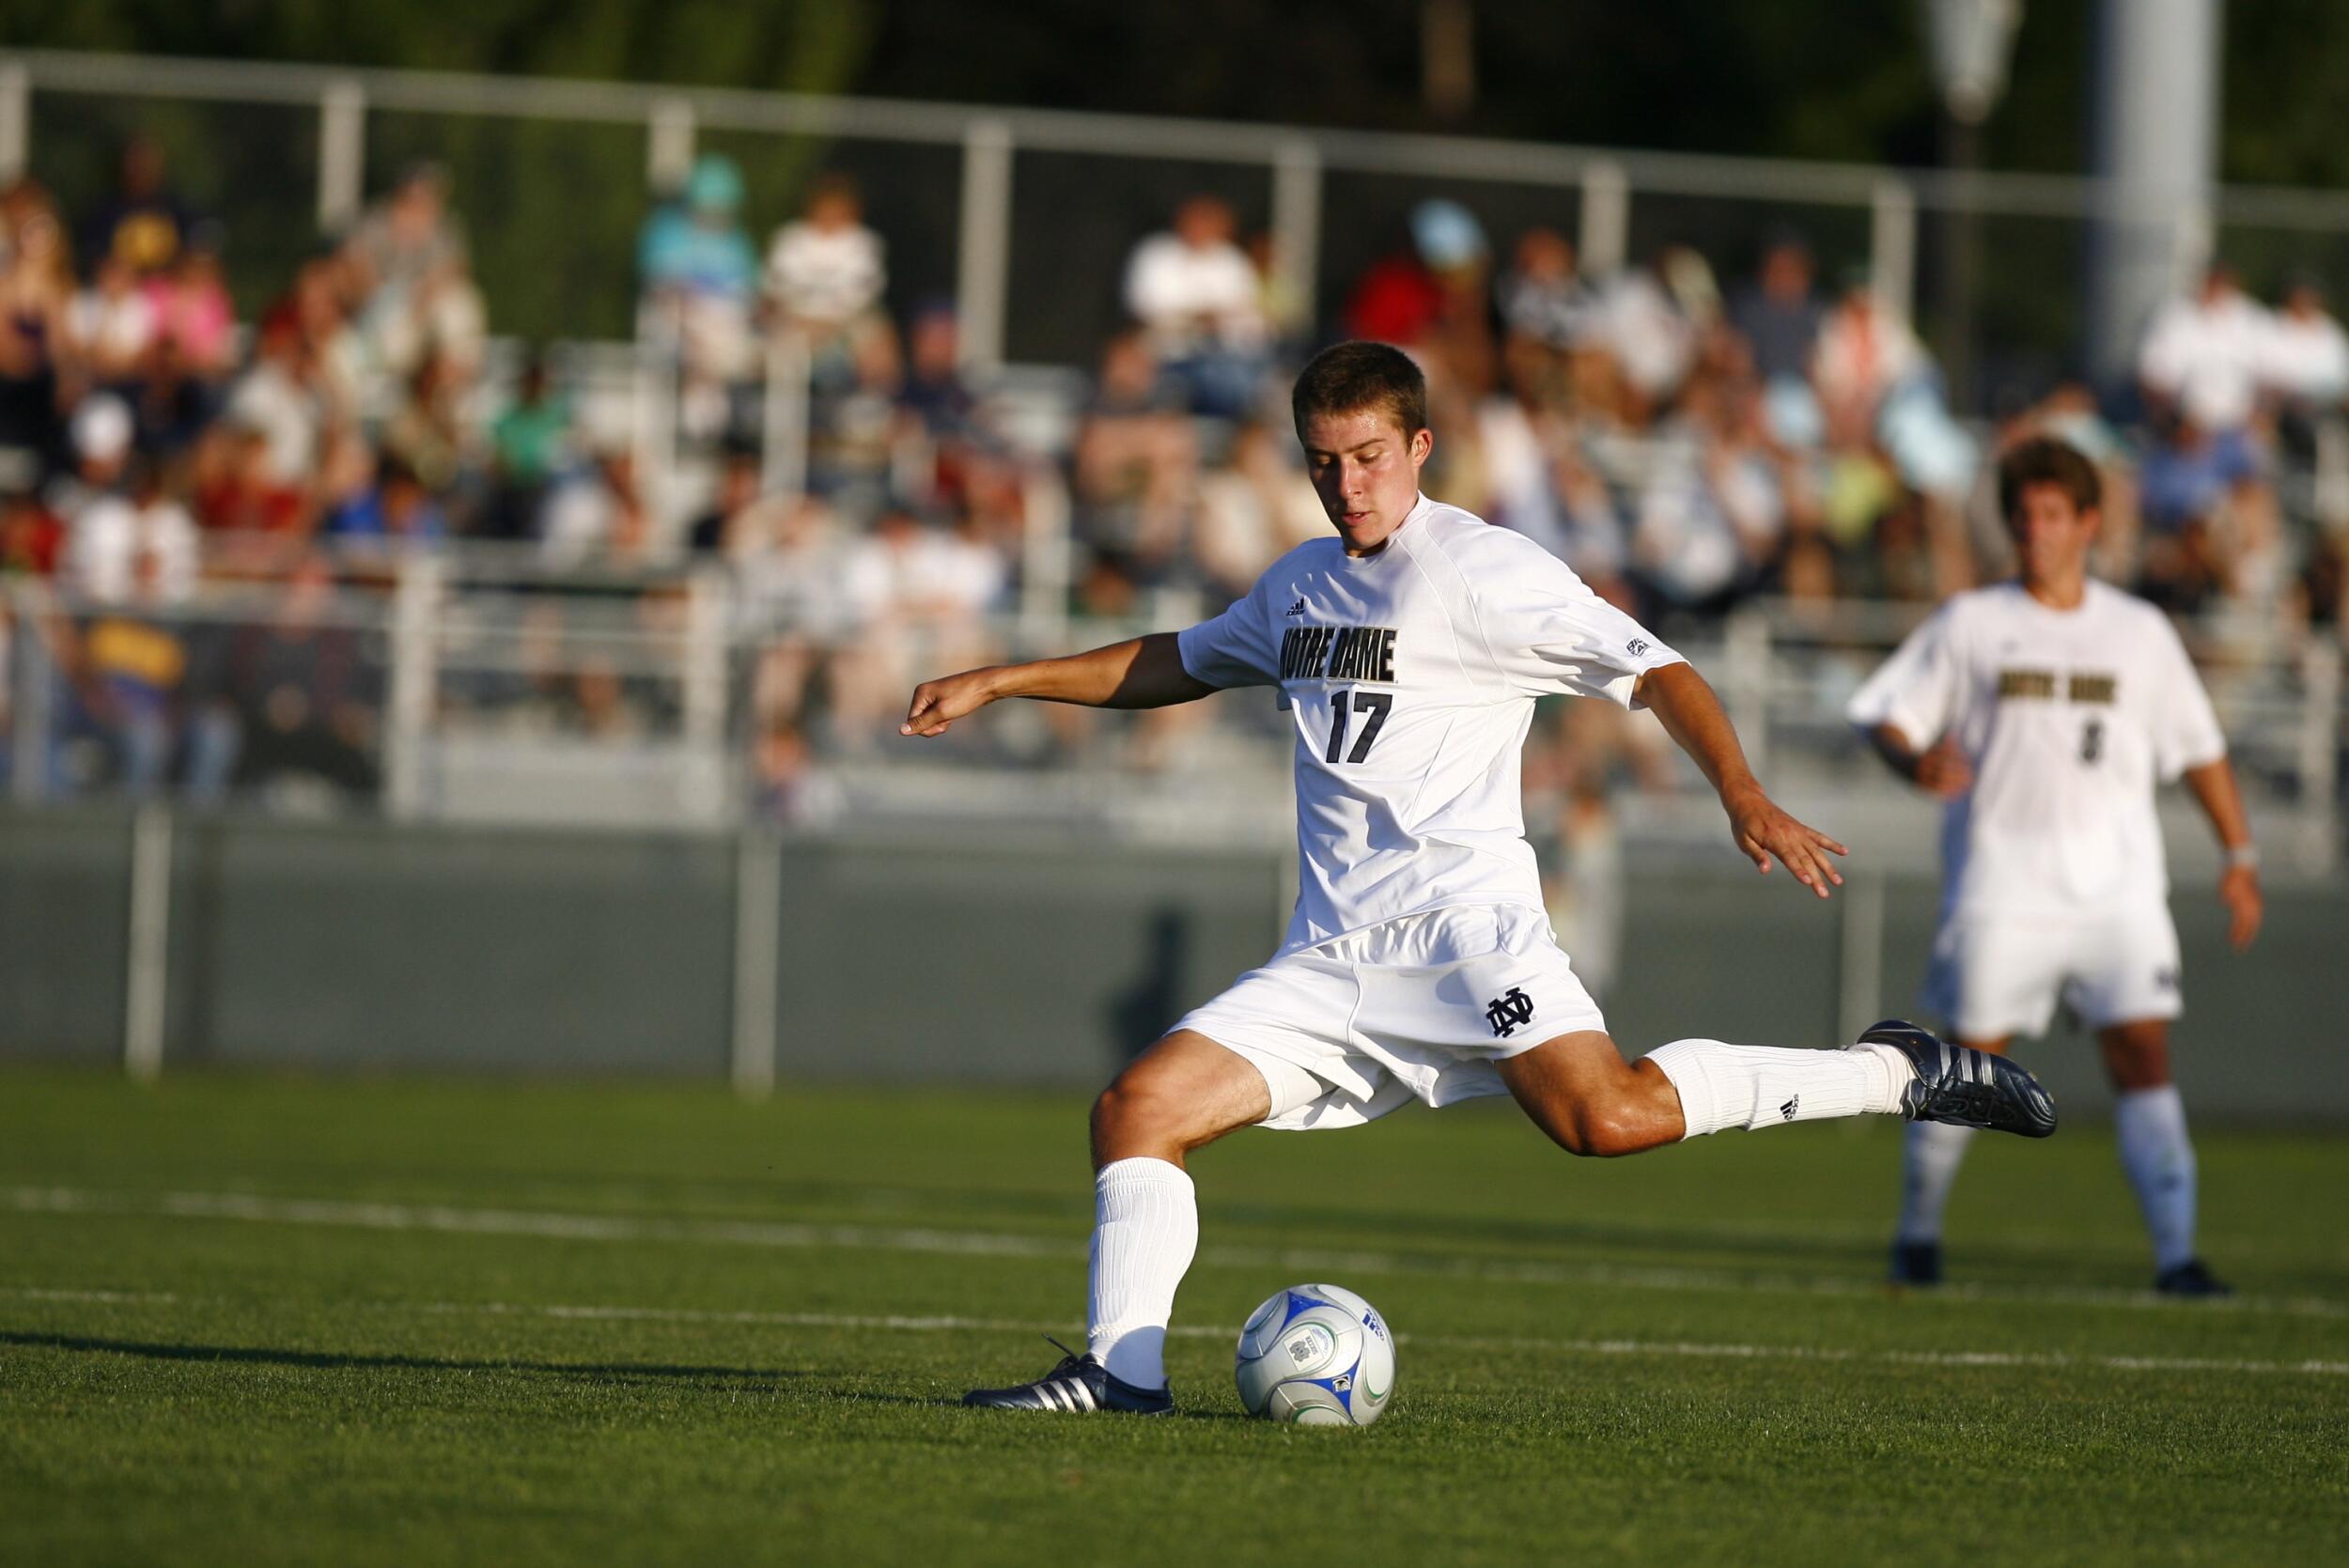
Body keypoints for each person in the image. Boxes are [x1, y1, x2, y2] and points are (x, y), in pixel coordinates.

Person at [903, 341, 2056, 1416]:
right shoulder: (1301, 583)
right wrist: (1005, 679)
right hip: (1329, 952)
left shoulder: (1483, 570)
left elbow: (1658, 671)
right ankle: (1121, 1371)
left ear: (1418, 448)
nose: (1347, 485)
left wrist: (1741, 792)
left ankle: (1893, 1070)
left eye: (1367, 458)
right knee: (1137, 1108)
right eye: (1322, 463)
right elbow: (1182, 661)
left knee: (1604, 1118)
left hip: (1464, 935)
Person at [1846, 435, 2259, 1298]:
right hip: (2002, 887)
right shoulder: (1974, 623)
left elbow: (2199, 750)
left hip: (2118, 892)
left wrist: (2239, 853)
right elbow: (1887, 716)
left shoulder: (2139, 632)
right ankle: (1917, 1237)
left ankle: (2178, 1257)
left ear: (2089, 524)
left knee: (2143, 1056)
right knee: (1966, 1065)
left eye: (2051, 515)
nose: (2033, 531)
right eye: (2022, 516)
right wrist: (1908, 762)